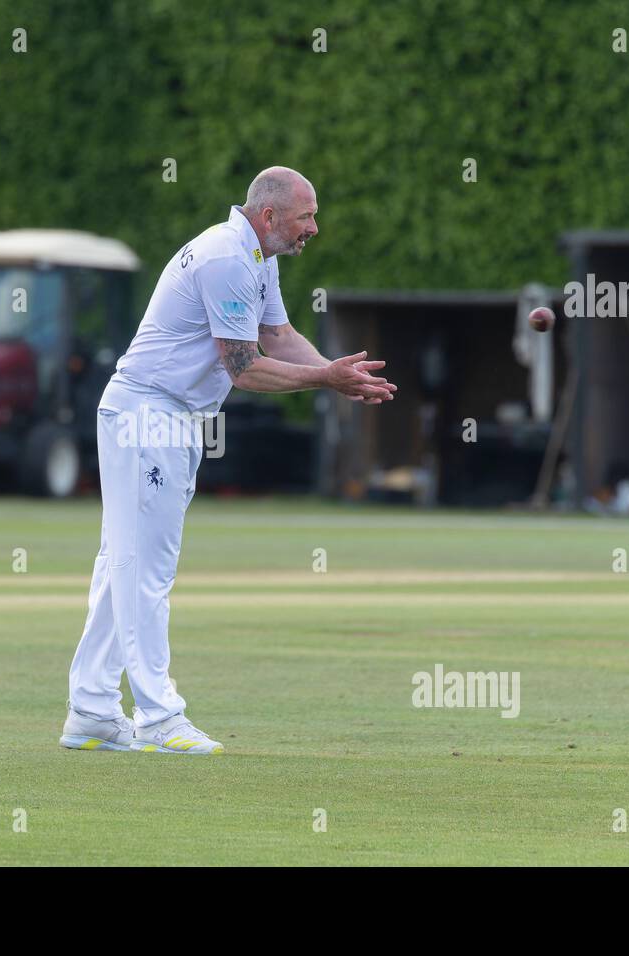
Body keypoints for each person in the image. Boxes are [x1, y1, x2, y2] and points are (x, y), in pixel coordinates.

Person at [61, 167, 395, 754]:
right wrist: (326, 378)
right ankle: (161, 719)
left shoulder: (258, 259)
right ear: (269, 216)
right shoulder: (226, 259)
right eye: (306, 216)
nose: (314, 227)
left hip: (167, 419)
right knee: (144, 571)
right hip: (148, 416)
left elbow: (280, 337)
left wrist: (342, 376)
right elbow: (245, 368)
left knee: (124, 564)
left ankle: (91, 710)